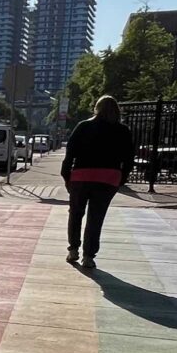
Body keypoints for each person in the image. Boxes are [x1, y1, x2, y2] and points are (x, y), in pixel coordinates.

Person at [60, 95, 136, 268]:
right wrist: (120, 178)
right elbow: (129, 158)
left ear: (97, 108)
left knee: (76, 213)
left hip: (81, 176)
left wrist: (67, 176)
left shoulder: (84, 126)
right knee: (96, 218)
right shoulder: (122, 131)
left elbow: (69, 154)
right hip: (108, 179)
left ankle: (73, 250)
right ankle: (89, 256)